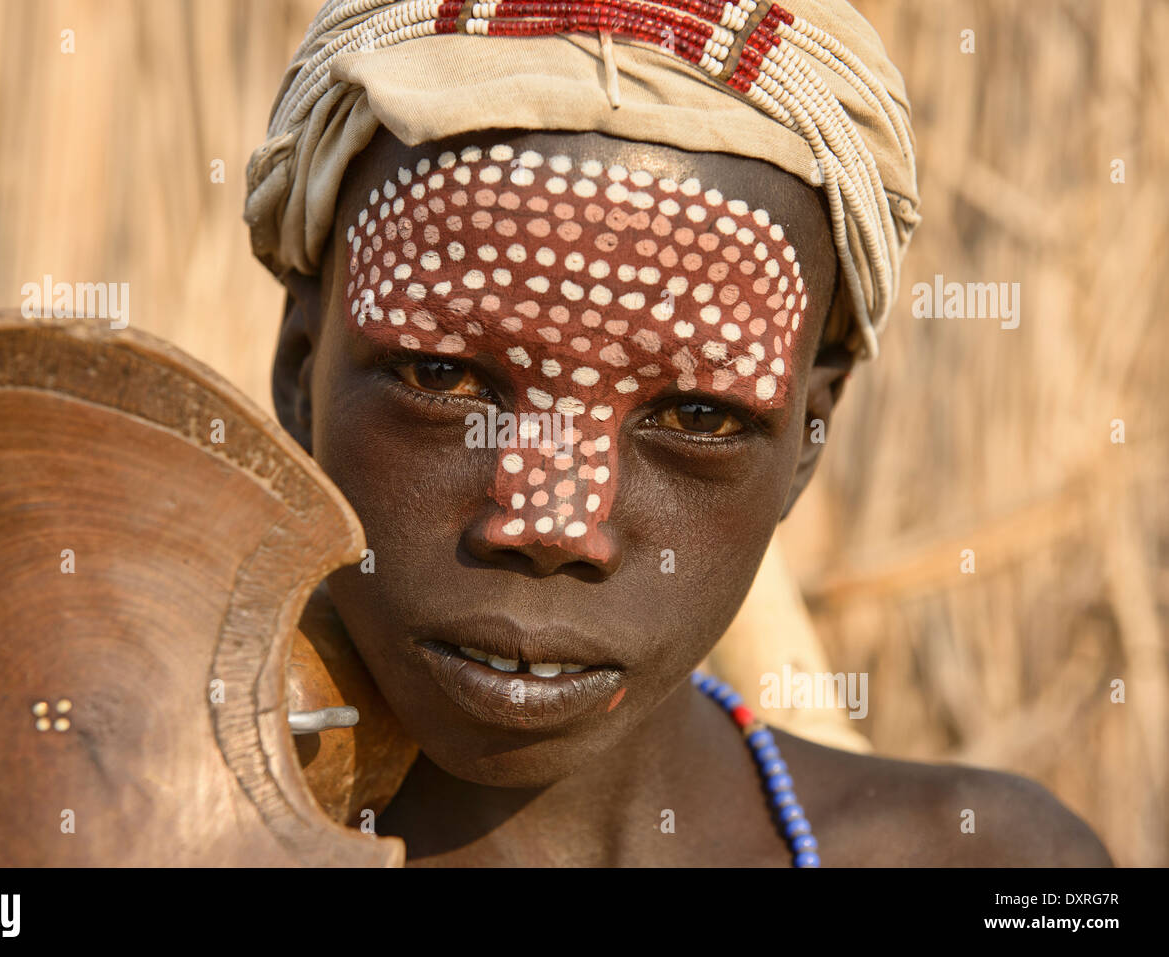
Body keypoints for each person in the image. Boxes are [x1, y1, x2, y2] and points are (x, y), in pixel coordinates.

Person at [245, 0, 1112, 866]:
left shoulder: (1013, 868)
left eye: (697, 418)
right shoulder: (144, 822)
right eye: (443, 377)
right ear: (299, 370)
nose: (551, 523)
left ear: (808, 440)